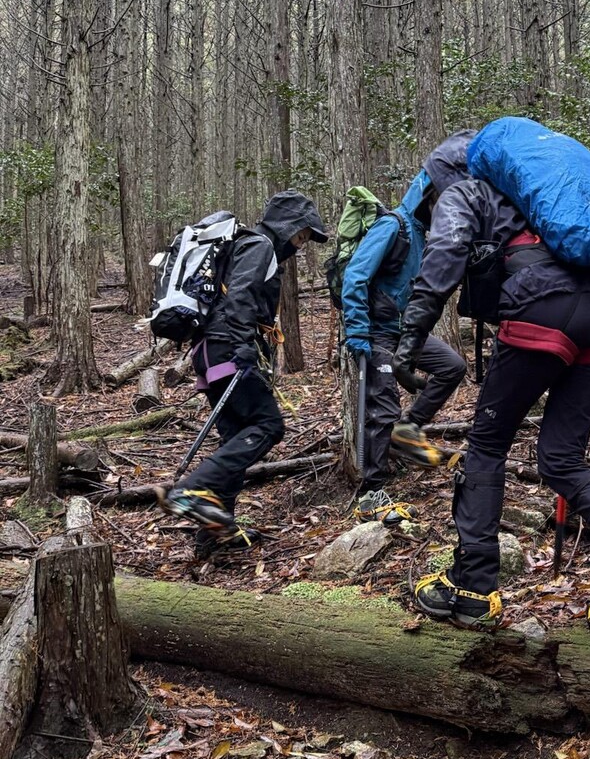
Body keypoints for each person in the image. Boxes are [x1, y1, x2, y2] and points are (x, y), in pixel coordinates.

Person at [396, 131, 590, 637]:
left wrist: (411, 338)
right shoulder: (549, 200)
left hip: (545, 309)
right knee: (560, 458)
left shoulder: (468, 191)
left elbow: (445, 253)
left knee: (487, 445)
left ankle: (471, 586)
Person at [159, 191, 328, 555]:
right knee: (268, 426)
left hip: (210, 352)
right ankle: (189, 492)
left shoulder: (246, 244)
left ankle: (213, 537)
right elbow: (241, 295)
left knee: (236, 437)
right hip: (226, 349)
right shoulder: (260, 245)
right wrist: (242, 345)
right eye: (302, 236)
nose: (301, 245)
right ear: (289, 227)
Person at [340, 170, 467, 514]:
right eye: (440, 198)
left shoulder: (424, 236)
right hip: (374, 331)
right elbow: (355, 275)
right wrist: (356, 331)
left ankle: (408, 430)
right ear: (427, 196)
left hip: (405, 333)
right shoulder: (392, 226)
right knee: (382, 408)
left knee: (452, 367)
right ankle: (372, 492)